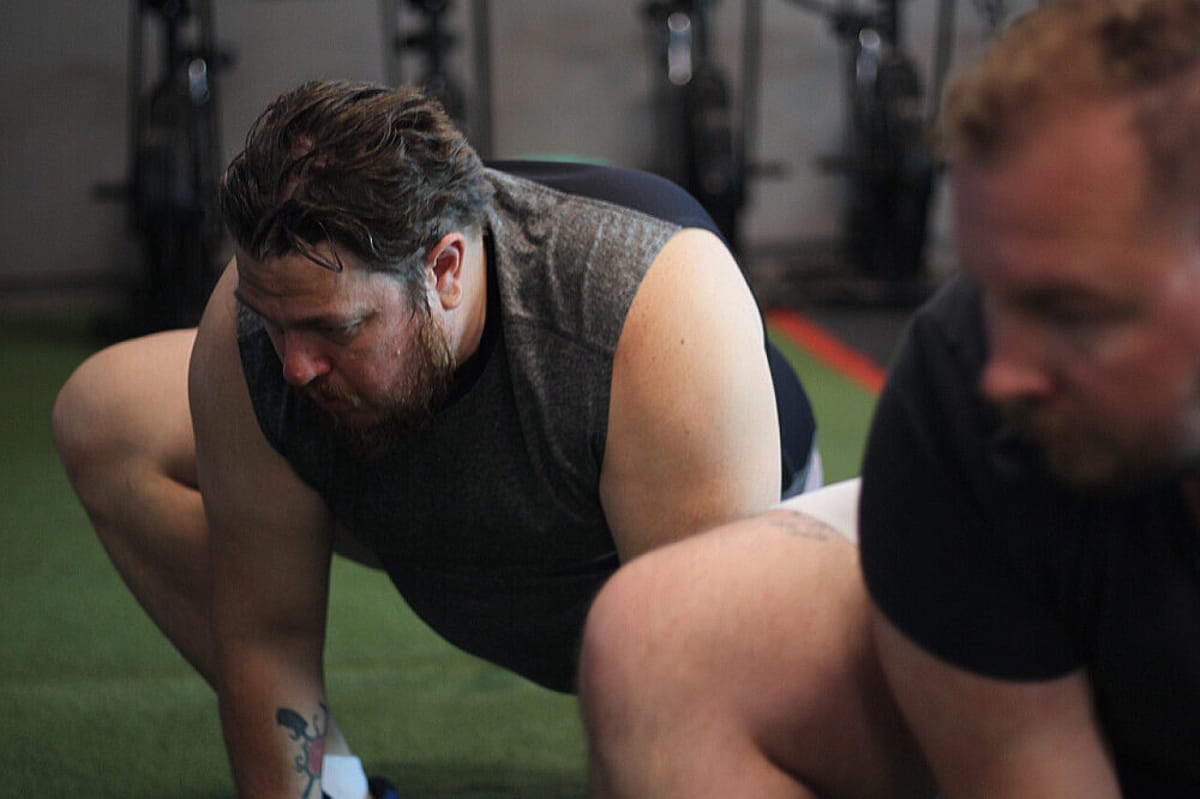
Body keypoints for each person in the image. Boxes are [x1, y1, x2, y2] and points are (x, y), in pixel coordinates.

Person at [50, 80, 819, 798]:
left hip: (647, 546)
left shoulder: (650, 297)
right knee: (104, 411)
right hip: (444, 520)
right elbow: (267, 641)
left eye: (333, 328)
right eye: (275, 322)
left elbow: (703, 687)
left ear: (446, 268)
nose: (294, 365)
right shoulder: (260, 324)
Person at [578, 0, 1200, 796]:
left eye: (1073, 312)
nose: (1005, 373)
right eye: (997, 296)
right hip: (1078, 605)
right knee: (660, 647)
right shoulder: (968, 388)